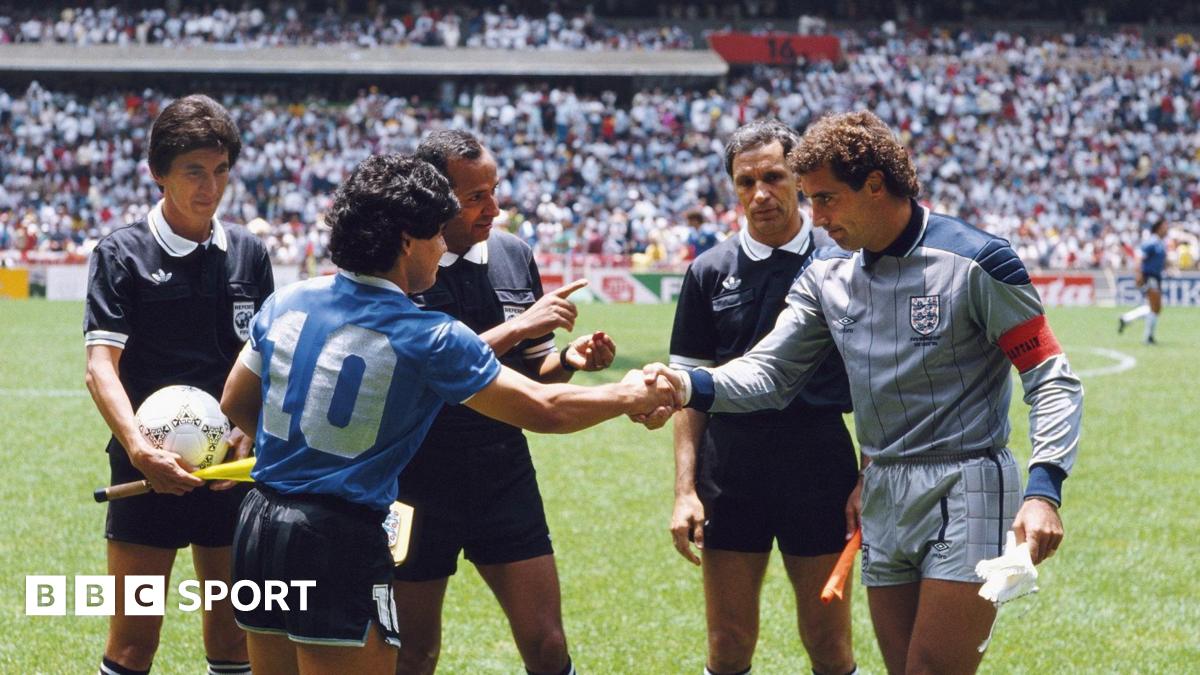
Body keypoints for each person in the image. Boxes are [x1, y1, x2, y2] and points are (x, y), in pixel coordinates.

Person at [640, 111, 1083, 675]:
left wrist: (1044, 490)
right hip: (883, 489)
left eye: (826, 199)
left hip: (967, 479)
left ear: (875, 185)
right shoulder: (826, 272)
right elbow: (770, 371)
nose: (817, 218)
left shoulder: (978, 261)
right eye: (811, 200)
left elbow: (1050, 376)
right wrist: (685, 384)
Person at [219, 153, 676, 675]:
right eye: (437, 233)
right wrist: (630, 393)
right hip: (338, 538)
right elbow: (544, 409)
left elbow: (235, 401)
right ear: (406, 242)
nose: (442, 245)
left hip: (258, 525)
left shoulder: (289, 300)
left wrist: (301, 455)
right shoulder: (427, 334)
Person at [390, 130, 614, 675]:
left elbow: (536, 367)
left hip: (502, 471)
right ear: (435, 198)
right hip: (414, 479)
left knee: (548, 645)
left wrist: (572, 359)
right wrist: (519, 327)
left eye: (494, 191)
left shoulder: (513, 254)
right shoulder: (401, 264)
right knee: (414, 653)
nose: (494, 208)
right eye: (476, 197)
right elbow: (425, 371)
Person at [83, 94, 273, 675]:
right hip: (145, 471)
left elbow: (268, 360)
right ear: (158, 172)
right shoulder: (121, 254)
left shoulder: (249, 253)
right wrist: (140, 449)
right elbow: (100, 367)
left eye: (220, 170)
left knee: (234, 641)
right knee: (132, 645)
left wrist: (246, 433)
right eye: (194, 171)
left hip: (231, 473)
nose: (210, 187)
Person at [667, 120, 858, 675]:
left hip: (820, 464)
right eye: (746, 182)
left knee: (828, 642)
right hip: (730, 468)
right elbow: (689, 389)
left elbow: (877, 382)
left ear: (799, 179)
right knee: (727, 643)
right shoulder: (708, 272)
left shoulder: (843, 263)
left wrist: (868, 475)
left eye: (773, 177)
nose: (760, 194)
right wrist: (684, 490)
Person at [1118, 219, 1169, 344]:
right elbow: (1138, 257)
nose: (1167, 229)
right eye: (1164, 226)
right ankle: (1148, 337)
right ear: (1158, 228)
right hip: (1149, 276)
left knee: (1155, 307)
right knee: (1155, 306)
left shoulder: (1160, 243)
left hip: (1156, 276)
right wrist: (1138, 274)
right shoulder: (1151, 242)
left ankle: (1127, 318)